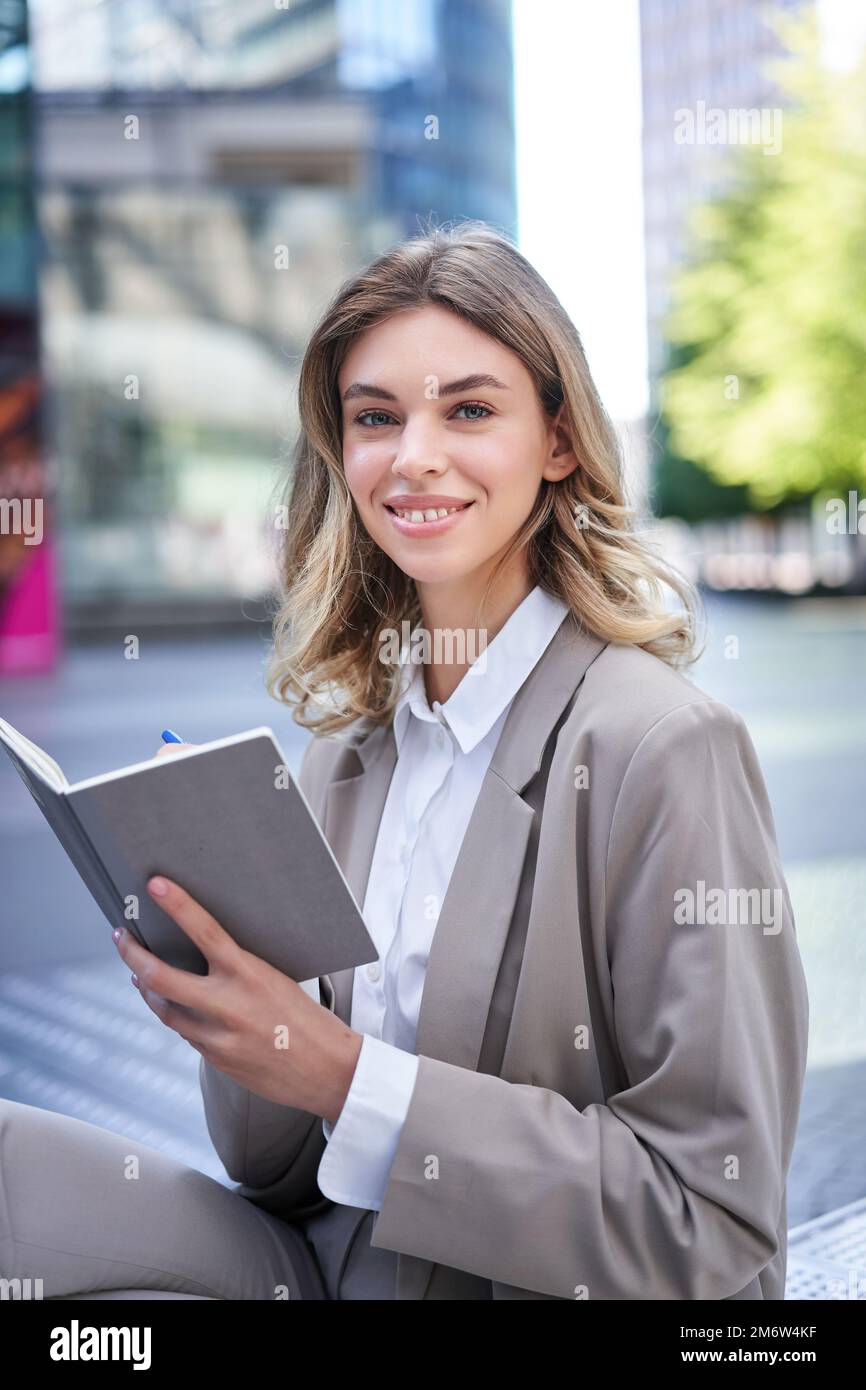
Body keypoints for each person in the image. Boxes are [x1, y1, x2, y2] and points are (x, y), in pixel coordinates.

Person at [0, 221, 808, 1301]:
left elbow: (707, 1213)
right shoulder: (345, 755)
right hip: (337, 1265)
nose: (412, 454)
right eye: (375, 417)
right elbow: (269, 1167)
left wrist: (340, 1073)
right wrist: (233, 1000)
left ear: (557, 441)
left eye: (467, 409)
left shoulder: (660, 748)